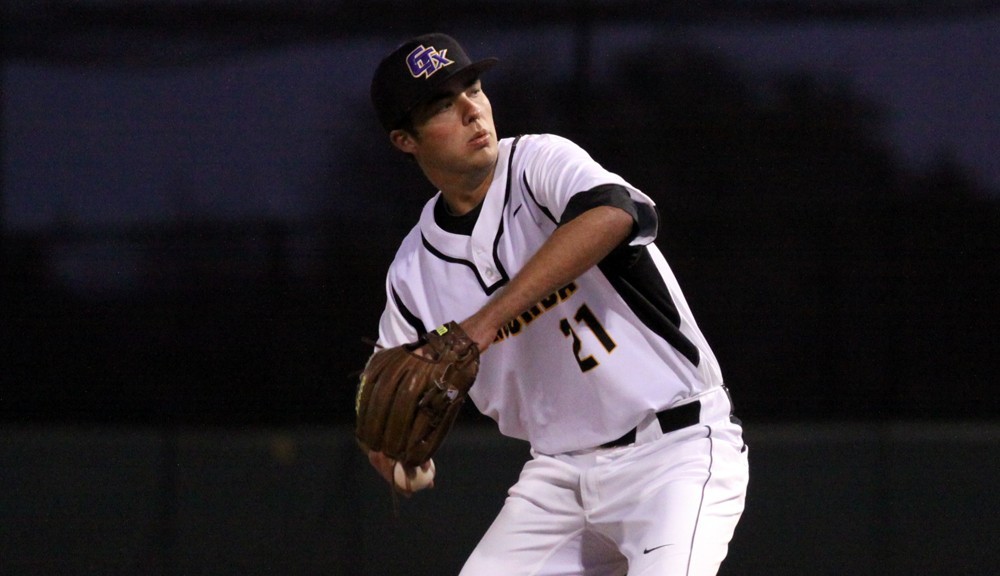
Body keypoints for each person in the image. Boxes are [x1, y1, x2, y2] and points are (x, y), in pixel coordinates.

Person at [365, 32, 749, 576]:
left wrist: (481, 324)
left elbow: (613, 214)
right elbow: (384, 387)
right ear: (406, 140)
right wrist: (392, 451)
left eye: (473, 87)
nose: (473, 109)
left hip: (674, 451)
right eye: (444, 105)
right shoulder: (413, 272)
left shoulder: (539, 163)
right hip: (559, 479)